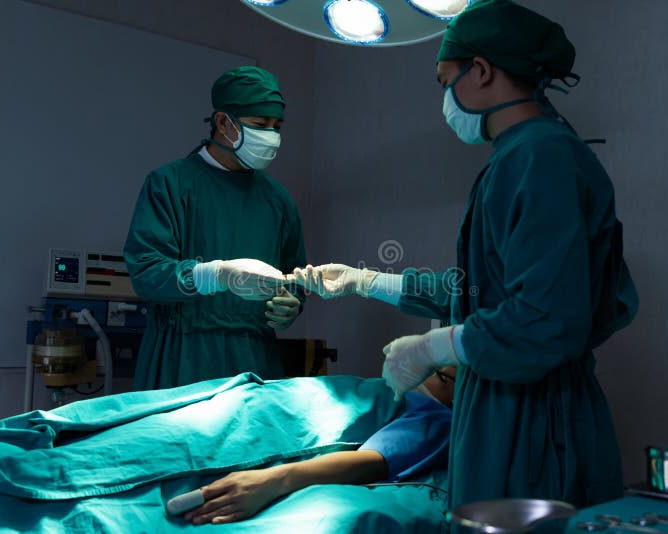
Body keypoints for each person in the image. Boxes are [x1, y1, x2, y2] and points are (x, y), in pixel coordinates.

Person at [290, 0, 639, 516]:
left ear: (480, 70)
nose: (445, 98)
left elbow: (546, 319)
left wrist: (437, 345)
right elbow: (482, 288)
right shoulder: (519, 158)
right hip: (502, 411)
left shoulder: (543, 158)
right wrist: (366, 280)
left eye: (443, 80)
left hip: (533, 424)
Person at [124, 66, 307, 389]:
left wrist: (290, 302)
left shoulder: (277, 200)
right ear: (223, 123)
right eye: (260, 125)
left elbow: (294, 277)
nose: (272, 136)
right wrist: (215, 274)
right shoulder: (171, 184)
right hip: (183, 355)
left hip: (255, 358)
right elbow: (147, 273)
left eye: (277, 126)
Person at [183, 366, 455, 526]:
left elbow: (373, 461)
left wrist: (273, 480)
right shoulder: (399, 390)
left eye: (440, 374)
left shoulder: (437, 418)